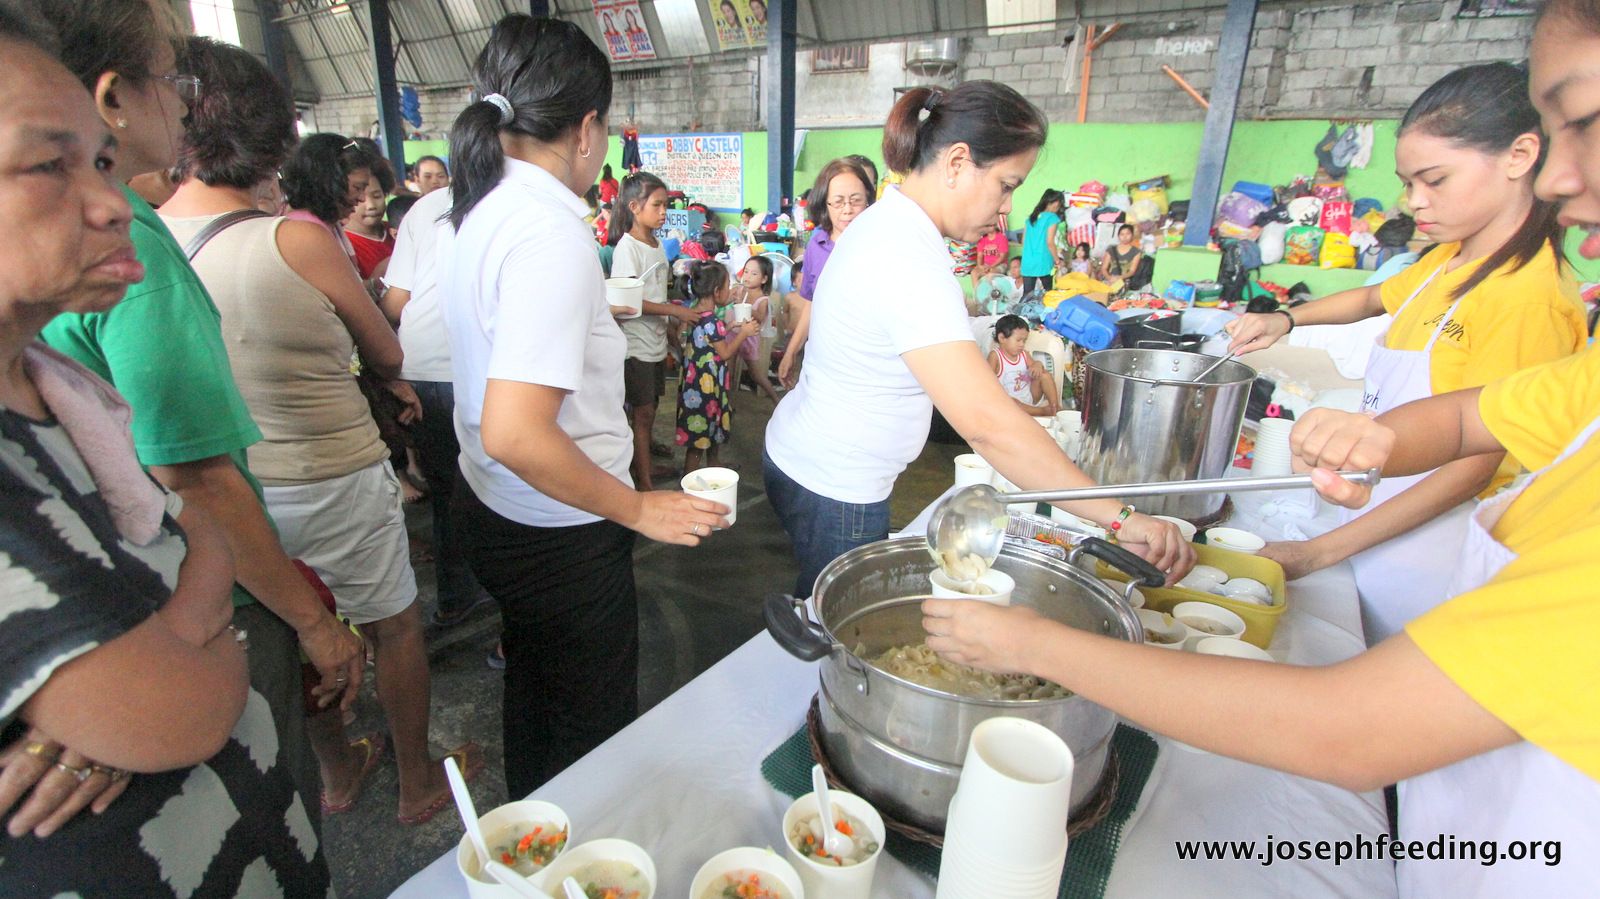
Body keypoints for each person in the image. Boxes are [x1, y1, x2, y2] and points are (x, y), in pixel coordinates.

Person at [0, 16, 329, 894]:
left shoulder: (54, 388)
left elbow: (194, 532)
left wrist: (176, 633)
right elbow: (179, 707)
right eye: (48, 165)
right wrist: (211, 639)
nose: (111, 203)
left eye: (102, 165)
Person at [158, 50, 482, 824]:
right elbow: (388, 350)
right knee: (392, 623)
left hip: (237, 489)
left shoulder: (149, 235)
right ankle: (417, 783)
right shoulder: (294, 242)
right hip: (333, 471)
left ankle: (339, 773)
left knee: (295, 627)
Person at [440, 14, 726, 798]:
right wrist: (636, 507)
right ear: (590, 129)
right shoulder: (547, 233)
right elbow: (516, 430)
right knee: (591, 738)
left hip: (496, 510)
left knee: (537, 696)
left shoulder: (480, 209)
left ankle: (532, 838)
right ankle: (577, 857)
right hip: (557, 535)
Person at [764, 83, 1193, 599]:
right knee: (833, 626)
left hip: (809, 457)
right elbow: (989, 427)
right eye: (1006, 185)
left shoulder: (889, 222)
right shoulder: (905, 259)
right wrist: (1120, 519)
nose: (1008, 209)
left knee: (818, 602)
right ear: (957, 162)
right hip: (836, 487)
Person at [1224, 62, 1586, 645]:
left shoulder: (1527, 299)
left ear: (1520, 157)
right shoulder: (1448, 260)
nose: (1413, 201)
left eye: (1434, 180)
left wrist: (1318, 553)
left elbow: (1475, 466)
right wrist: (1284, 318)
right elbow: (1371, 297)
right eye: (1408, 181)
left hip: (1432, 548)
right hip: (1372, 514)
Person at [609, 171, 700, 489]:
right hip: (636, 345)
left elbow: (657, 294)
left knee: (650, 409)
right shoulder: (627, 249)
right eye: (657, 205)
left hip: (656, 341)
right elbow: (628, 302)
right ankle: (644, 483)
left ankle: (644, 462)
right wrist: (676, 310)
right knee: (643, 414)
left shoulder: (657, 245)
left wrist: (672, 332)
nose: (664, 212)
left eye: (666, 205)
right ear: (634, 206)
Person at [776, 158, 875, 387]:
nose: (848, 210)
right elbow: (813, 303)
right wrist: (791, 352)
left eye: (856, 201)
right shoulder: (817, 244)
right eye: (838, 203)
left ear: (868, 200)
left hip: (868, 367)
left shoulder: (879, 244)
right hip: (825, 363)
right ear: (825, 205)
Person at [676, 261, 759, 472]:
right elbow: (725, 352)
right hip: (705, 387)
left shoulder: (697, 313)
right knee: (700, 433)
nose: (731, 291)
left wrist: (731, 325)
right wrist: (744, 333)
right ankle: (689, 480)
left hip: (698, 383)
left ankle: (713, 463)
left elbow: (710, 338)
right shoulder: (712, 321)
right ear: (715, 291)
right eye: (727, 286)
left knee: (711, 426)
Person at [731, 255, 783, 403]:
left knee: (756, 374)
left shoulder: (763, 299)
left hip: (749, 340)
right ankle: (727, 404)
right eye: (746, 271)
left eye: (754, 274)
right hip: (733, 335)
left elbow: (760, 317)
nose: (747, 276)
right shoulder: (739, 290)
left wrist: (744, 305)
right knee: (730, 372)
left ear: (764, 279)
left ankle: (775, 399)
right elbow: (724, 301)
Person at [990, 314, 1060, 416]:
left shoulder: (1023, 354)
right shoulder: (995, 356)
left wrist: (1038, 364)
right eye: (1018, 340)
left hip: (1030, 396)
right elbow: (987, 381)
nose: (1022, 344)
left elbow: (1036, 367)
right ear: (1002, 338)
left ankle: (1054, 407)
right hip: (1009, 402)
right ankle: (1042, 411)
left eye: (1024, 341)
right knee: (1011, 401)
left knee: (1045, 375)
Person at [343, 156, 395, 280]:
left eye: (377, 196)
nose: (371, 206)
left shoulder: (397, 229)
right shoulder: (343, 243)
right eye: (362, 199)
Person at [1019, 188, 1063, 295]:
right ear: (1055, 202)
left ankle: (1021, 312)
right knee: (1048, 294)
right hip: (1043, 261)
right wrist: (1057, 260)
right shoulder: (1052, 218)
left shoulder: (1031, 218)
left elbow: (1023, 241)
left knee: (1027, 295)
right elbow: (1050, 242)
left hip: (1028, 261)